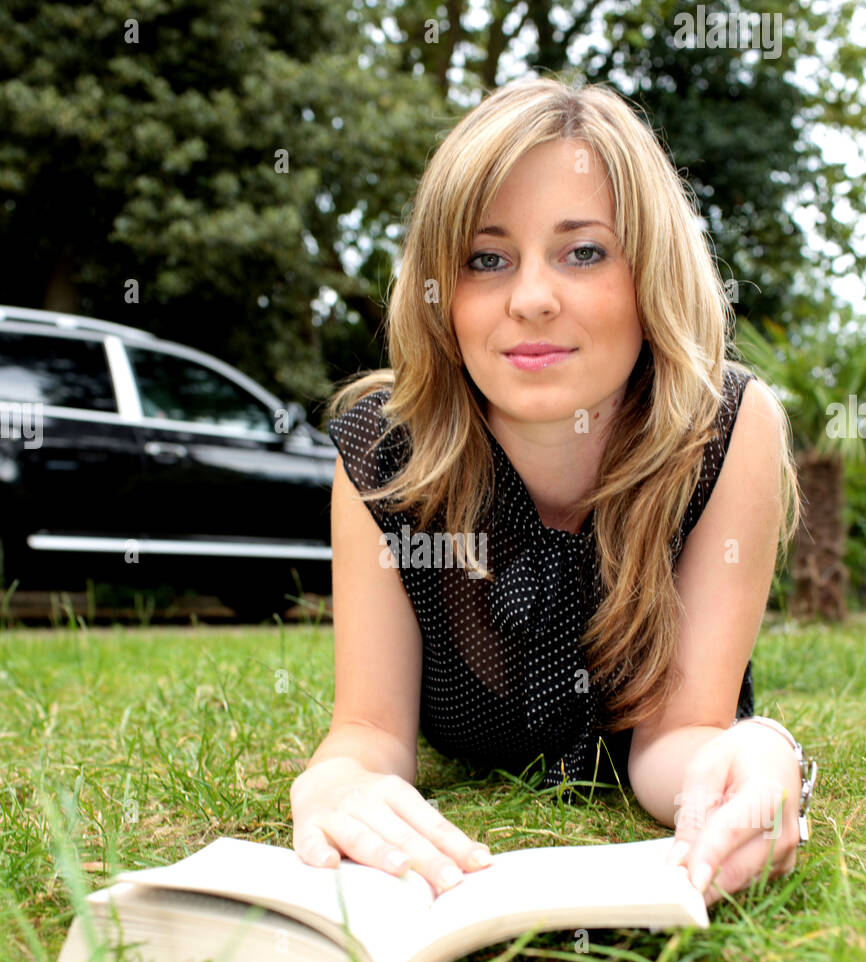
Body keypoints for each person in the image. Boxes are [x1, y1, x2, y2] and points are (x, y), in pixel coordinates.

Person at [289, 75, 815, 909]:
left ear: (650, 273)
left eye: (583, 251)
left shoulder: (726, 428)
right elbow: (371, 731)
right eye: (486, 259)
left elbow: (675, 740)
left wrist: (751, 757)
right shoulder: (382, 453)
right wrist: (331, 783)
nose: (531, 299)